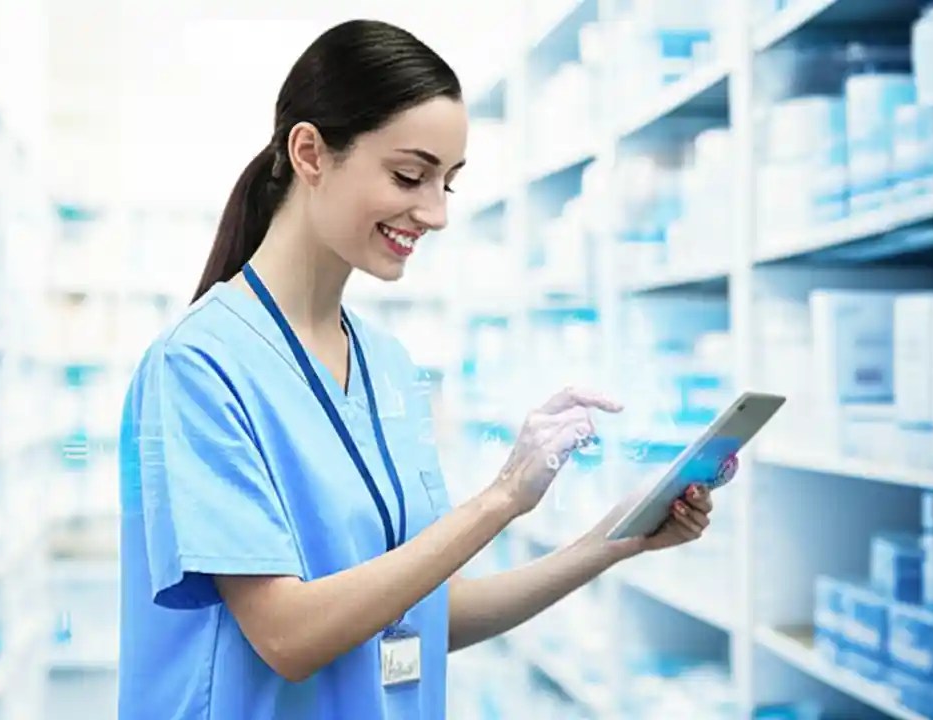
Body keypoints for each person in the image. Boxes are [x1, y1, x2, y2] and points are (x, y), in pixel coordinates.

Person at [116, 18, 721, 720]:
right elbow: (288, 635)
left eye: (448, 184)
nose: (434, 213)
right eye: (410, 175)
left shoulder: (389, 366)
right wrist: (501, 498)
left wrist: (612, 542)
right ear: (310, 152)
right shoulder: (198, 366)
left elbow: (420, 615)